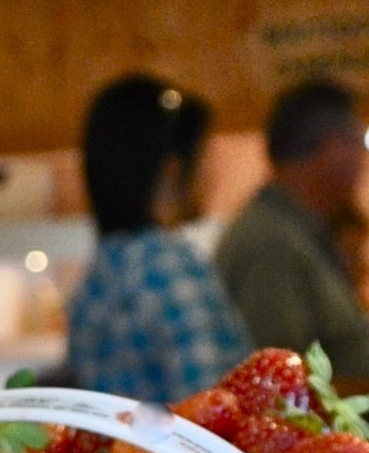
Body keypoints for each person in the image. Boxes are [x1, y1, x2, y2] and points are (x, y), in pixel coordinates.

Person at [216, 81, 369, 423]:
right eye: (359, 142)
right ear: (332, 148)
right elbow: (277, 394)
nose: (364, 160)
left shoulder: (296, 231)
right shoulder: (271, 242)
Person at [64, 74, 248, 406]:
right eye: (206, 156)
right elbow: (211, 411)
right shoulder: (169, 265)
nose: (214, 173)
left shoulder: (97, 276)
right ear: (173, 170)